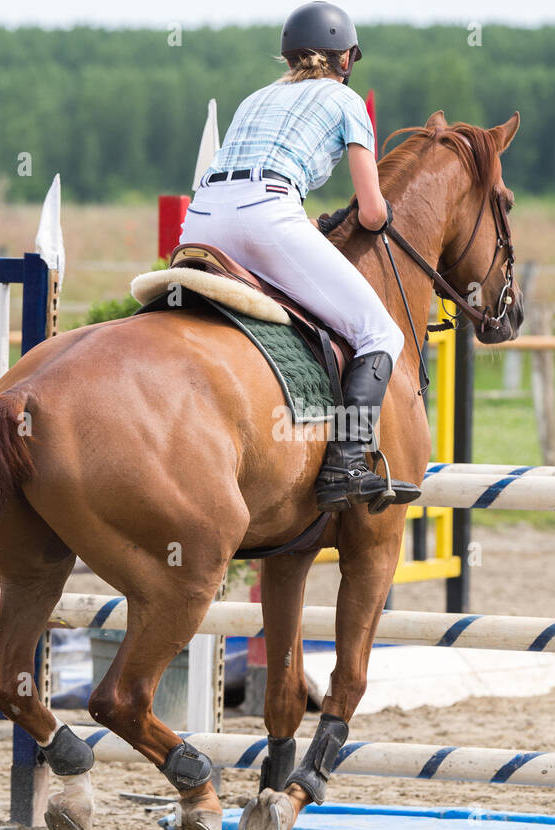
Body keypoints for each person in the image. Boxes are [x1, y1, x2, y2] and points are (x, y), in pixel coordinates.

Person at [179, 1, 419, 514]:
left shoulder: (255, 98)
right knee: (382, 333)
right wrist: (369, 213)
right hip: (267, 214)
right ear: (347, 60)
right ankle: (346, 464)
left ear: (289, 56)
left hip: (201, 216)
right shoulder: (344, 100)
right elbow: (374, 213)